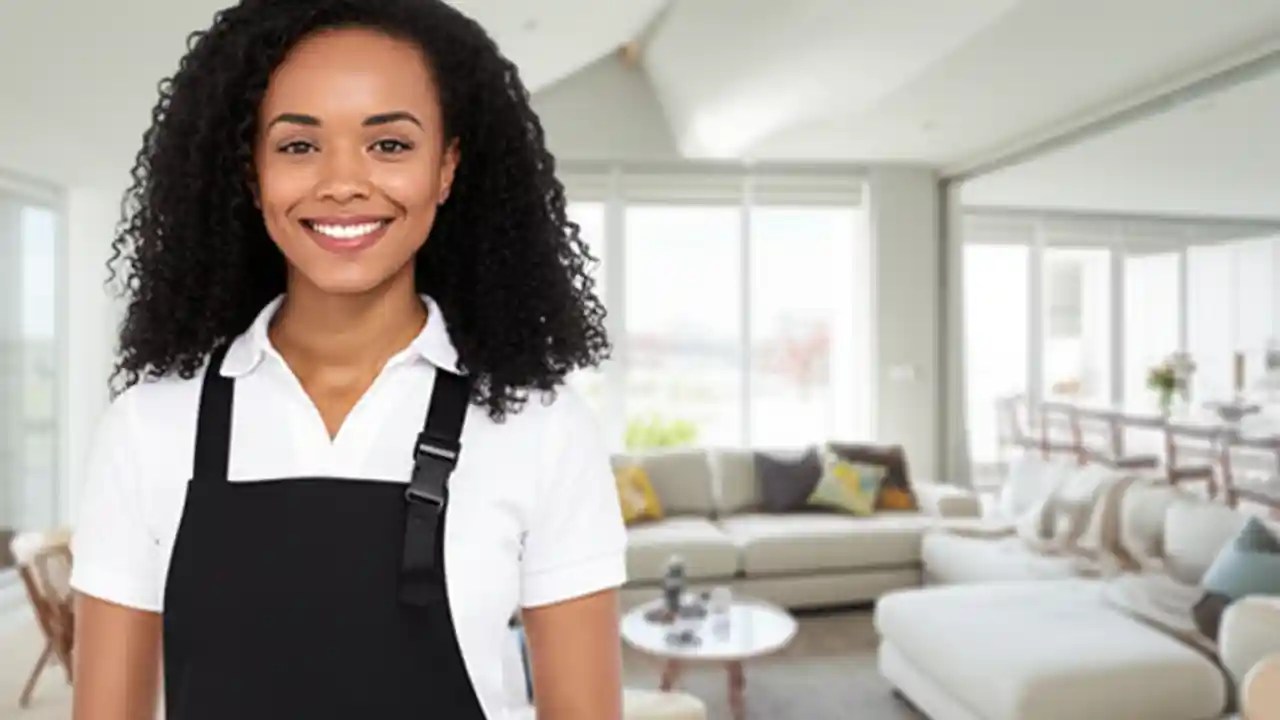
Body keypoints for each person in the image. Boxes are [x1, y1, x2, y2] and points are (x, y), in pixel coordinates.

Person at [68, 1, 627, 718]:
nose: (342, 182)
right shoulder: (148, 426)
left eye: (389, 145)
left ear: (447, 167)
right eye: (298, 146)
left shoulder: (540, 426)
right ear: (250, 171)